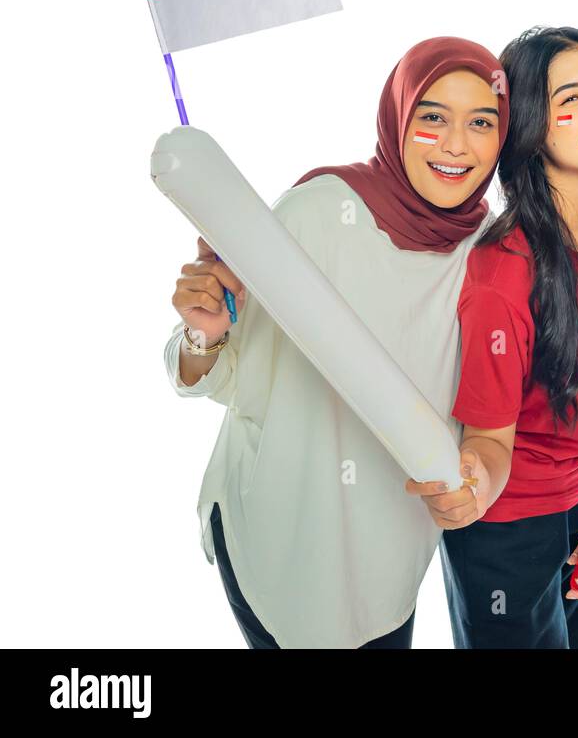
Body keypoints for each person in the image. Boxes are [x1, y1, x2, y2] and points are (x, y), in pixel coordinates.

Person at [164, 37, 508, 648]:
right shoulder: (319, 211)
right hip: (281, 530)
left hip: (390, 544)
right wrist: (204, 331)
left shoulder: (489, 247)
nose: (458, 145)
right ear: (398, 118)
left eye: (481, 122)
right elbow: (216, 371)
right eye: (432, 117)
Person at [419, 27, 578, 648]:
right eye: (570, 99)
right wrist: (468, 483)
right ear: (532, 127)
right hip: (506, 528)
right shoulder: (504, 270)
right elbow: (489, 440)